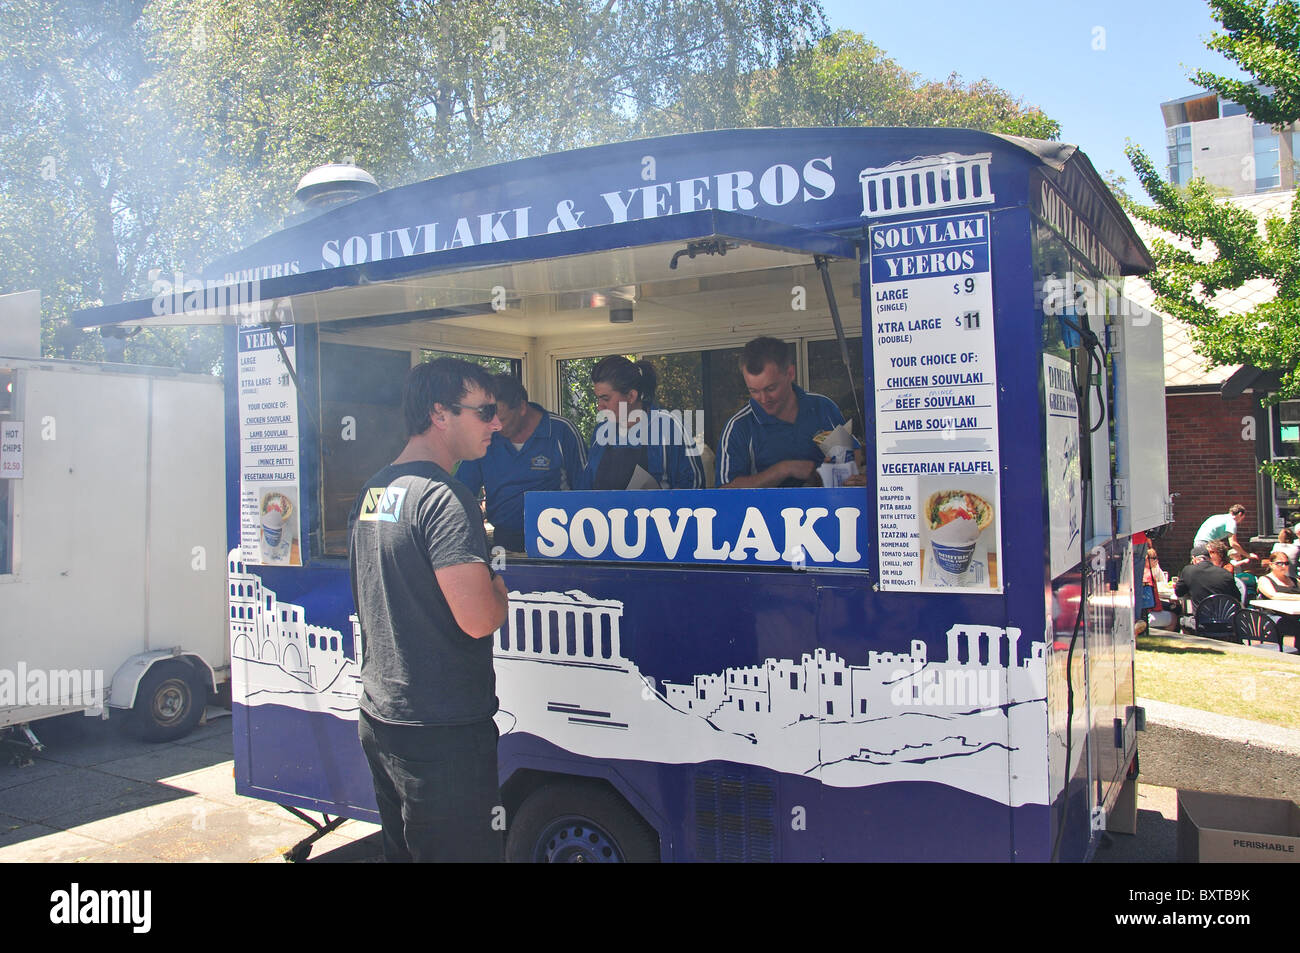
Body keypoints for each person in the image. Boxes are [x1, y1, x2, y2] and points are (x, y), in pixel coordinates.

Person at [348, 358, 510, 863]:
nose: (497, 424)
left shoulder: (374, 490)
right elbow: (479, 618)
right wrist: (499, 580)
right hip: (442, 734)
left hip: (383, 718)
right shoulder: (444, 498)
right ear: (441, 414)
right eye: (484, 412)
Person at [456, 373, 586, 552]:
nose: (495, 426)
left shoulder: (561, 430)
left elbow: (587, 491)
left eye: (501, 419)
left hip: (560, 540)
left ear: (522, 408)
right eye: (489, 419)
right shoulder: (485, 435)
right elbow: (460, 493)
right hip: (503, 540)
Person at [717, 336, 853, 488]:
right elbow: (724, 492)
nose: (763, 399)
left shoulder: (822, 407)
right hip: (765, 512)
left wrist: (847, 475)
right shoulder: (739, 426)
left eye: (770, 388)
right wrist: (784, 469)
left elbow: (851, 458)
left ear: (790, 373)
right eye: (753, 391)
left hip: (825, 510)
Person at [580, 356, 705, 490]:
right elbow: (586, 489)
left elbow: (694, 487)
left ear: (631, 396)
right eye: (598, 399)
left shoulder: (669, 426)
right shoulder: (601, 432)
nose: (599, 407)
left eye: (605, 398)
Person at [1174, 543, 1241, 606]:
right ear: (1209, 559)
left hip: (1201, 616)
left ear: (1194, 559)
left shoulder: (1188, 570)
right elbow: (1237, 597)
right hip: (1224, 616)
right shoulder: (1225, 573)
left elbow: (1179, 592)